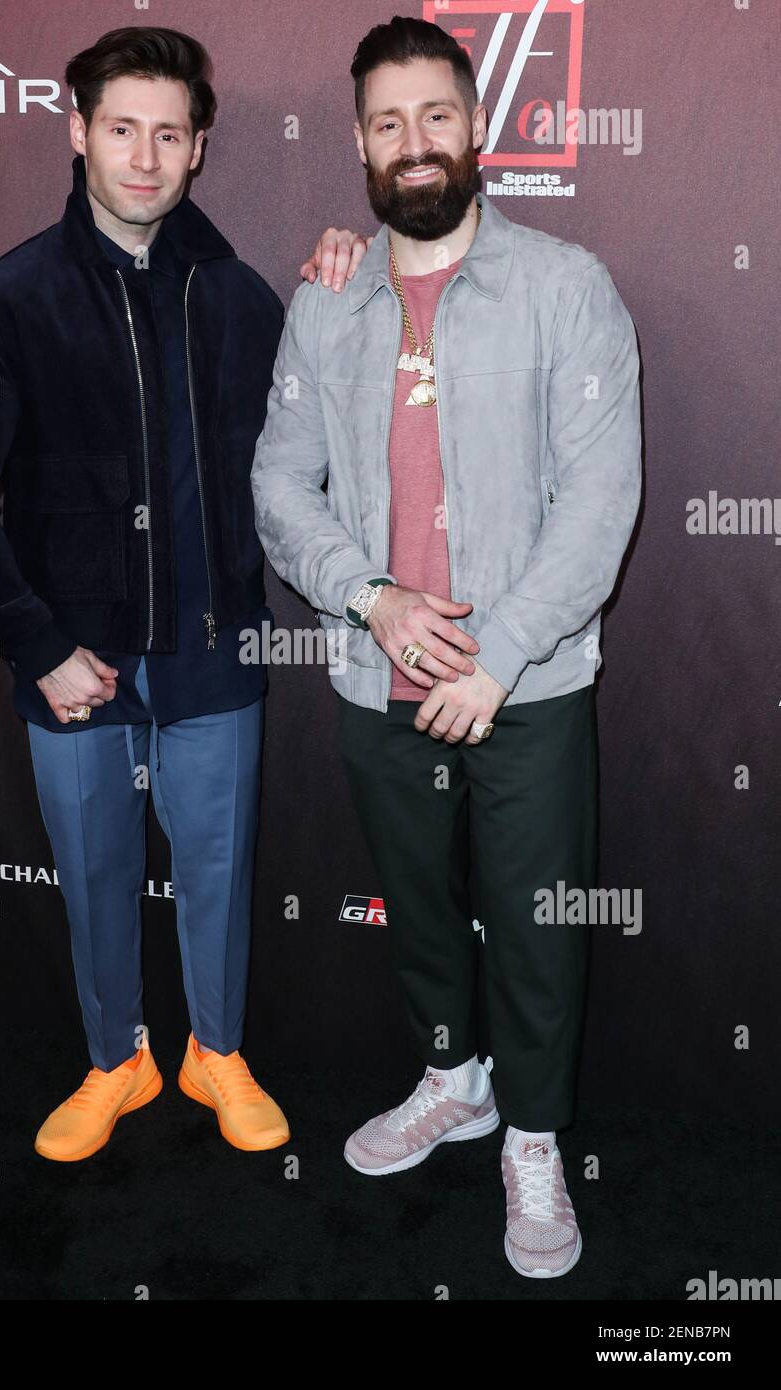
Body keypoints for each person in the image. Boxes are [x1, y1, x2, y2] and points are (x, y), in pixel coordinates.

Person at [0, 25, 367, 1163]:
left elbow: (318, 439)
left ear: (201, 146)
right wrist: (35, 642)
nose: (146, 157)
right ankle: (116, 1060)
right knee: (96, 876)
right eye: (123, 130)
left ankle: (216, 1052)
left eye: (170, 134)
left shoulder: (248, 300)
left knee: (216, 870)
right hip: (75, 658)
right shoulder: (0, 302)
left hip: (214, 650)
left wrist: (338, 295)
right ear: (77, 131)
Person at [252, 15, 642, 1276]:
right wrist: (368, 597)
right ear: (359, 145)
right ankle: (452, 1081)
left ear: (476, 127)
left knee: (532, 921)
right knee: (419, 911)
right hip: (377, 675)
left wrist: (499, 658)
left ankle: (532, 1138)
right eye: (385, 122)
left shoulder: (565, 286)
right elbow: (278, 482)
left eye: (434, 116)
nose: (412, 144)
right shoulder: (327, 300)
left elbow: (601, 502)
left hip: (525, 683)